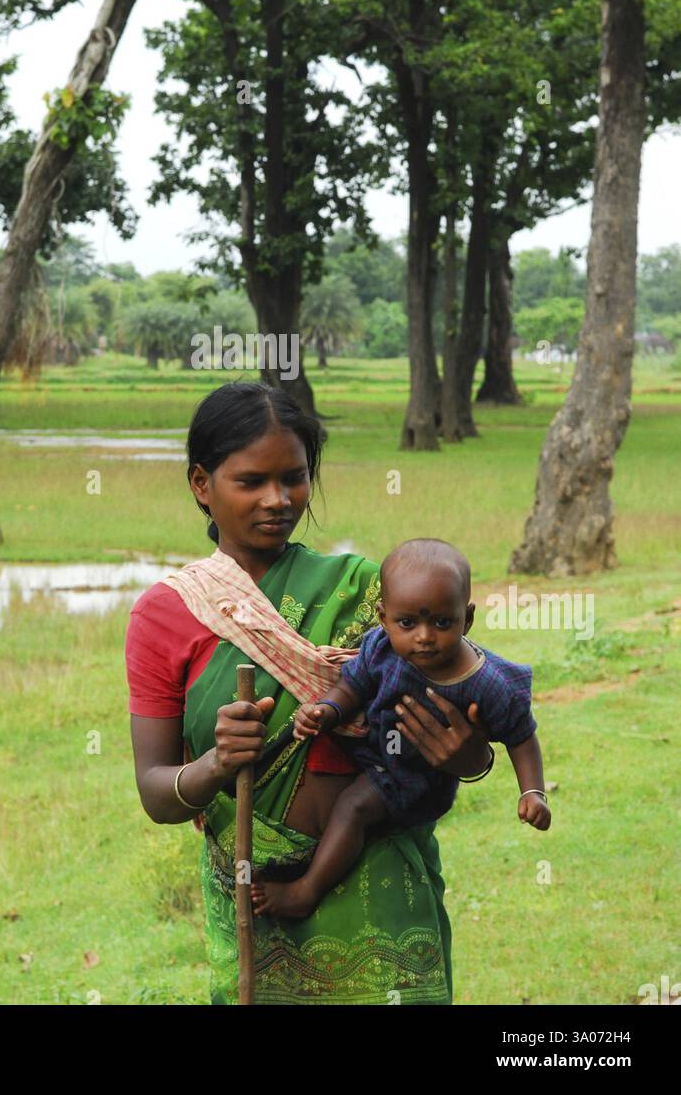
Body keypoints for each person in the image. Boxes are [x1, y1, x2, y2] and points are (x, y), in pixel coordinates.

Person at [126, 381, 495, 1005]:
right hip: (258, 896)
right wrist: (217, 764)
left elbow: (472, 740)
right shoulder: (164, 617)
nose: (278, 500)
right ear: (200, 484)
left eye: (294, 478)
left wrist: (465, 754)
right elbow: (156, 793)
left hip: (382, 885)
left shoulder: (370, 592)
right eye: (251, 482)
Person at [250, 537, 550, 921]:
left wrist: (533, 792)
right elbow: (351, 687)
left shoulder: (487, 682)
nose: (424, 636)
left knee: (352, 808)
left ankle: (305, 891)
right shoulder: (381, 648)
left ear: (468, 618)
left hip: (415, 779)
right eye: (408, 623)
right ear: (383, 617)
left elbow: (521, 736)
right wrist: (326, 711)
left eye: (442, 622)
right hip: (376, 752)